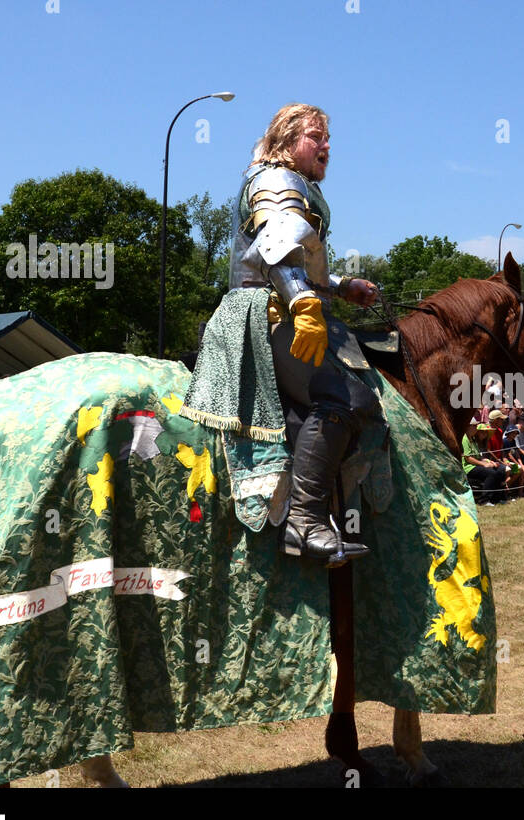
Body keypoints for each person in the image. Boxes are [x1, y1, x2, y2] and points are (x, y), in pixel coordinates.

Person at [181, 104, 381, 563]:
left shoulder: (295, 184)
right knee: (344, 399)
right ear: (286, 140)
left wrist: (339, 287)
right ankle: (304, 524)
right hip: (262, 315)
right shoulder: (276, 180)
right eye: (315, 136)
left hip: (284, 309)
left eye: (327, 137)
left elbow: (298, 262)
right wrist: (306, 304)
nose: (326, 145)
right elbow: (273, 249)